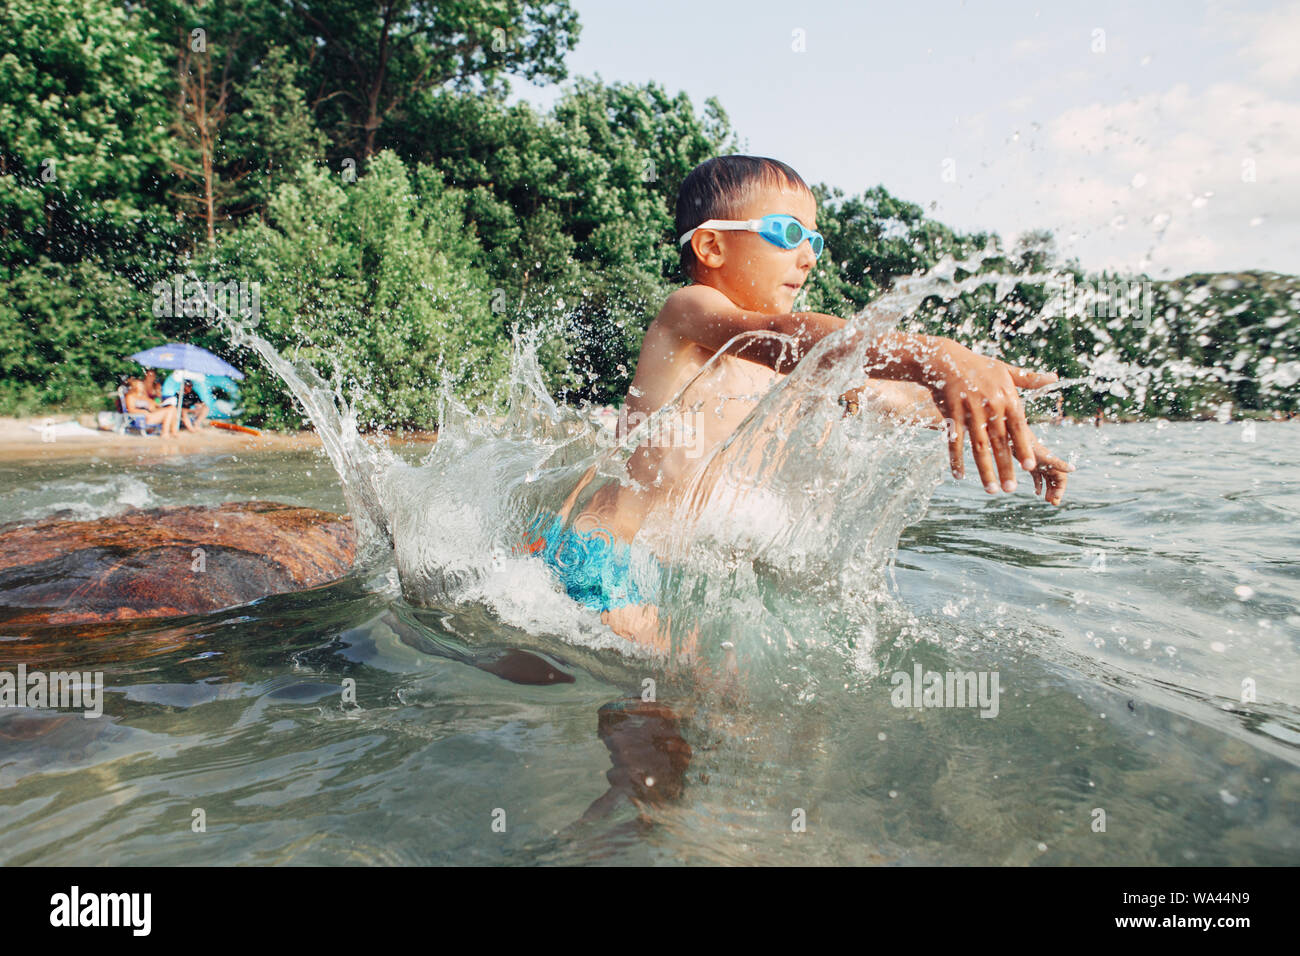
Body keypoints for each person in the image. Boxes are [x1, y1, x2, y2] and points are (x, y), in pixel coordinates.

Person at [524, 155, 1073, 651]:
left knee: (734, 713)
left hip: (669, 573)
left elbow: (897, 398)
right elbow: (789, 334)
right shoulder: (687, 315)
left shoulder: (795, 374)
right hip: (603, 556)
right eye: (787, 233)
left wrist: (1004, 426)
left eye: (815, 239)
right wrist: (940, 355)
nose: (808, 257)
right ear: (711, 246)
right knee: (665, 721)